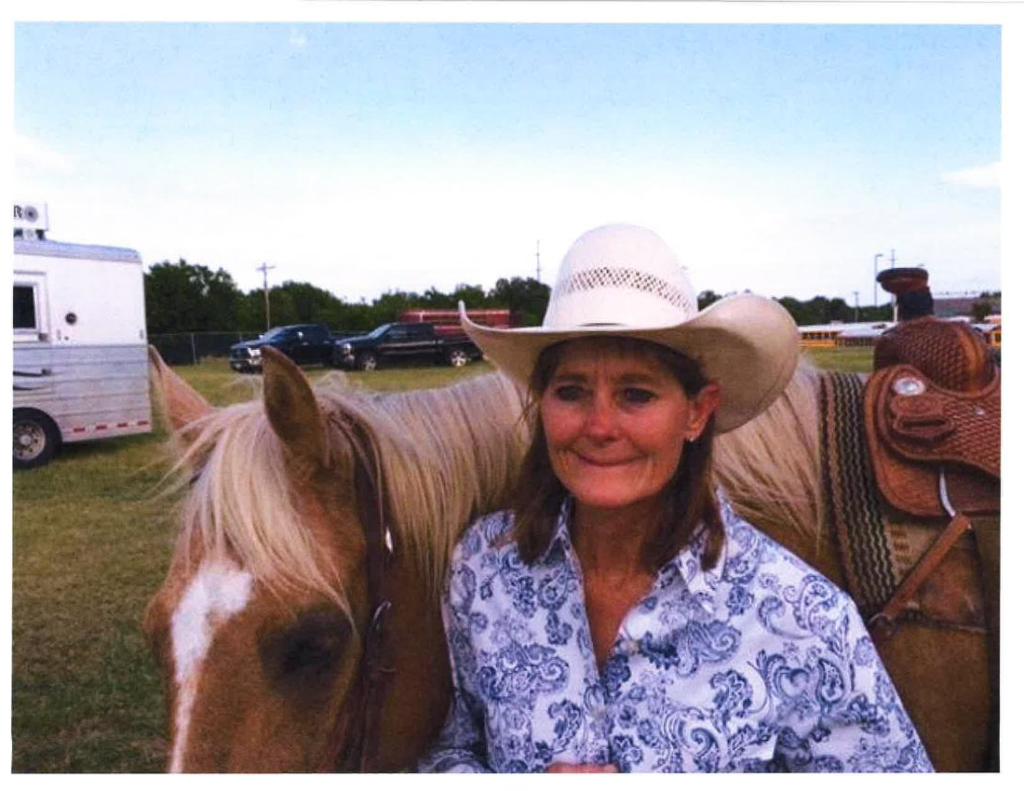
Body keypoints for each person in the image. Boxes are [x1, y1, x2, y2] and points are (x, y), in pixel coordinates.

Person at [418, 224, 933, 773]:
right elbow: (448, 748)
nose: (599, 426)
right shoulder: (485, 568)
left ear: (696, 412)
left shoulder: (802, 618)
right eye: (571, 391)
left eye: (635, 394)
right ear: (541, 403)